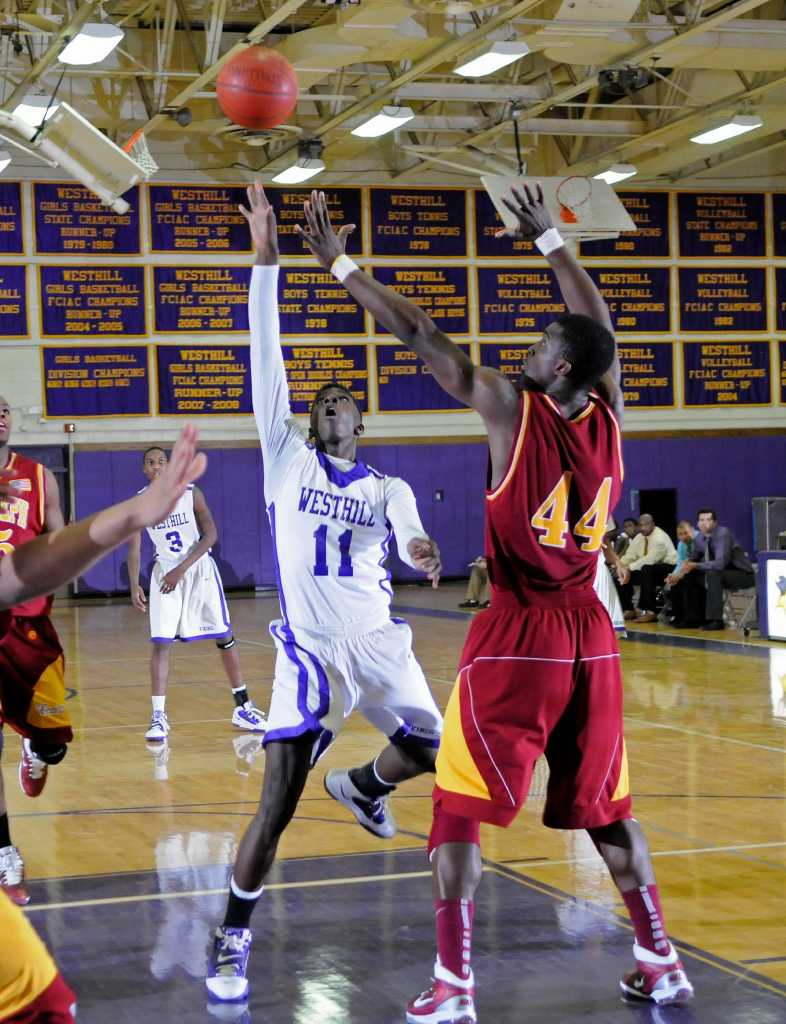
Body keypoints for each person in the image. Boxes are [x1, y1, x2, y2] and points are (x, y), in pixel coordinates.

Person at [295, 184, 693, 1017]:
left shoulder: (513, 410)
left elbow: (418, 332)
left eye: (544, 342)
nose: (533, 345)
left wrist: (339, 263)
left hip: (520, 631)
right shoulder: (612, 415)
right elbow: (602, 332)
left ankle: (453, 982)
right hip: (593, 634)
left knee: (455, 804)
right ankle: (660, 959)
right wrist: (552, 243)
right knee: (607, 810)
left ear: (558, 370)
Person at [205, 184, 444, 1005]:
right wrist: (265, 252)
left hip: (378, 646)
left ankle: (365, 784)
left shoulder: (386, 487)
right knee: (275, 807)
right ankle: (232, 939)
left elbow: (411, 532)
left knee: (437, 753)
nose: (329, 403)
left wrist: (418, 547)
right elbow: (263, 347)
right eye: (321, 402)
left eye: (343, 400)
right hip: (309, 652)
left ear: (360, 422)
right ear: (308, 423)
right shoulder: (287, 460)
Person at [0, 424, 206, 1019]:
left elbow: (34, 563)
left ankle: (37, 754)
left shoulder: (34, 485)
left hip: (27, 628)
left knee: (44, 1003)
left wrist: (135, 513)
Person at [127, 447, 266, 741]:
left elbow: (211, 534)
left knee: (224, 637)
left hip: (199, 572)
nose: (156, 467)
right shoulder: (139, 503)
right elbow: (134, 548)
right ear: (144, 470)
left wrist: (183, 569)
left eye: (161, 461)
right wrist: (134, 584)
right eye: (150, 463)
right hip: (165, 574)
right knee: (161, 643)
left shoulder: (191, 493)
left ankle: (243, 706)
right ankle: (158, 716)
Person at [0, 395, 69, 907]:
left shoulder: (40, 476)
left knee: (54, 745)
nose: (0, 415)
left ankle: (36, 749)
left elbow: (59, 536)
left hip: (28, 626)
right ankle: (4, 851)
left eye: (5, 408)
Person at [669, 509, 754, 630]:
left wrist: (695, 565)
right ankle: (691, 618)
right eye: (702, 520)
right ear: (698, 523)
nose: (705, 523)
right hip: (719, 573)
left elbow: (720, 564)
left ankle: (716, 620)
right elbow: (691, 561)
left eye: (708, 520)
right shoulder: (700, 539)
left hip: (741, 574)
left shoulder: (722, 534)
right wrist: (678, 575)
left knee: (713, 574)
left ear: (715, 522)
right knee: (689, 576)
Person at [616, 514, 677, 621]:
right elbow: (630, 555)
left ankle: (651, 611)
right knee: (621, 573)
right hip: (648, 569)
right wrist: (619, 566)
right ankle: (629, 609)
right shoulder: (639, 537)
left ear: (653, 524)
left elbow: (650, 559)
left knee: (646, 569)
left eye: (646, 525)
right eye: (641, 525)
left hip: (668, 568)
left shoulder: (660, 537)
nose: (643, 528)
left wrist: (629, 568)